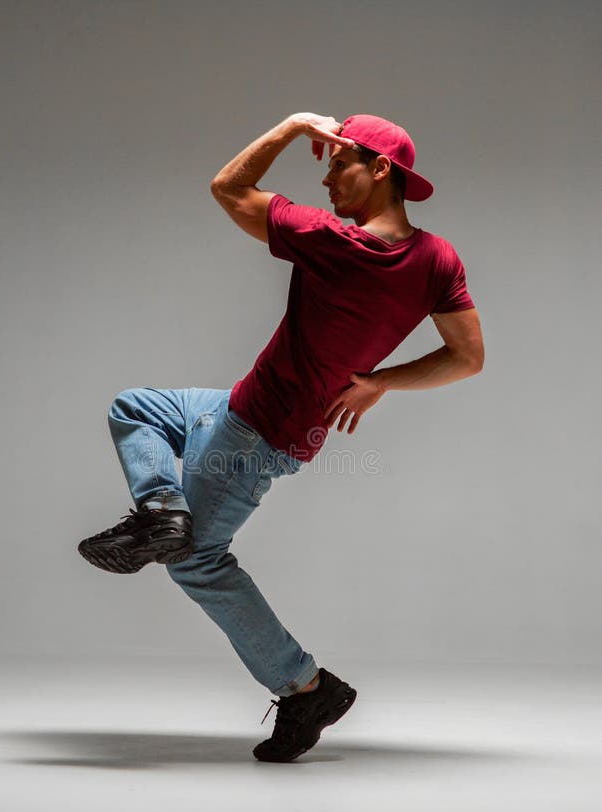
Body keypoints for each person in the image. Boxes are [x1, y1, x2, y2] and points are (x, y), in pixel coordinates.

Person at [78, 112, 485, 763]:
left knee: (195, 561)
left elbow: (227, 187)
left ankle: (305, 689)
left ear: (381, 169)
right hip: (245, 411)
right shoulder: (437, 258)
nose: (326, 179)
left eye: (337, 163)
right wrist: (380, 381)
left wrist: (294, 125)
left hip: (254, 432)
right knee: (136, 409)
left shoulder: (328, 239)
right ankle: (161, 510)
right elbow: (467, 357)